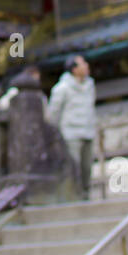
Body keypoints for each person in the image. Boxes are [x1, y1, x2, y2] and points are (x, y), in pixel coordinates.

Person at [48, 53, 97, 199]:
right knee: (73, 168)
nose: (86, 65)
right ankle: (74, 197)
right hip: (71, 133)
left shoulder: (90, 85)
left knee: (87, 168)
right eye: (83, 63)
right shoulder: (61, 88)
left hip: (88, 131)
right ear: (74, 69)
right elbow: (54, 113)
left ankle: (86, 195)